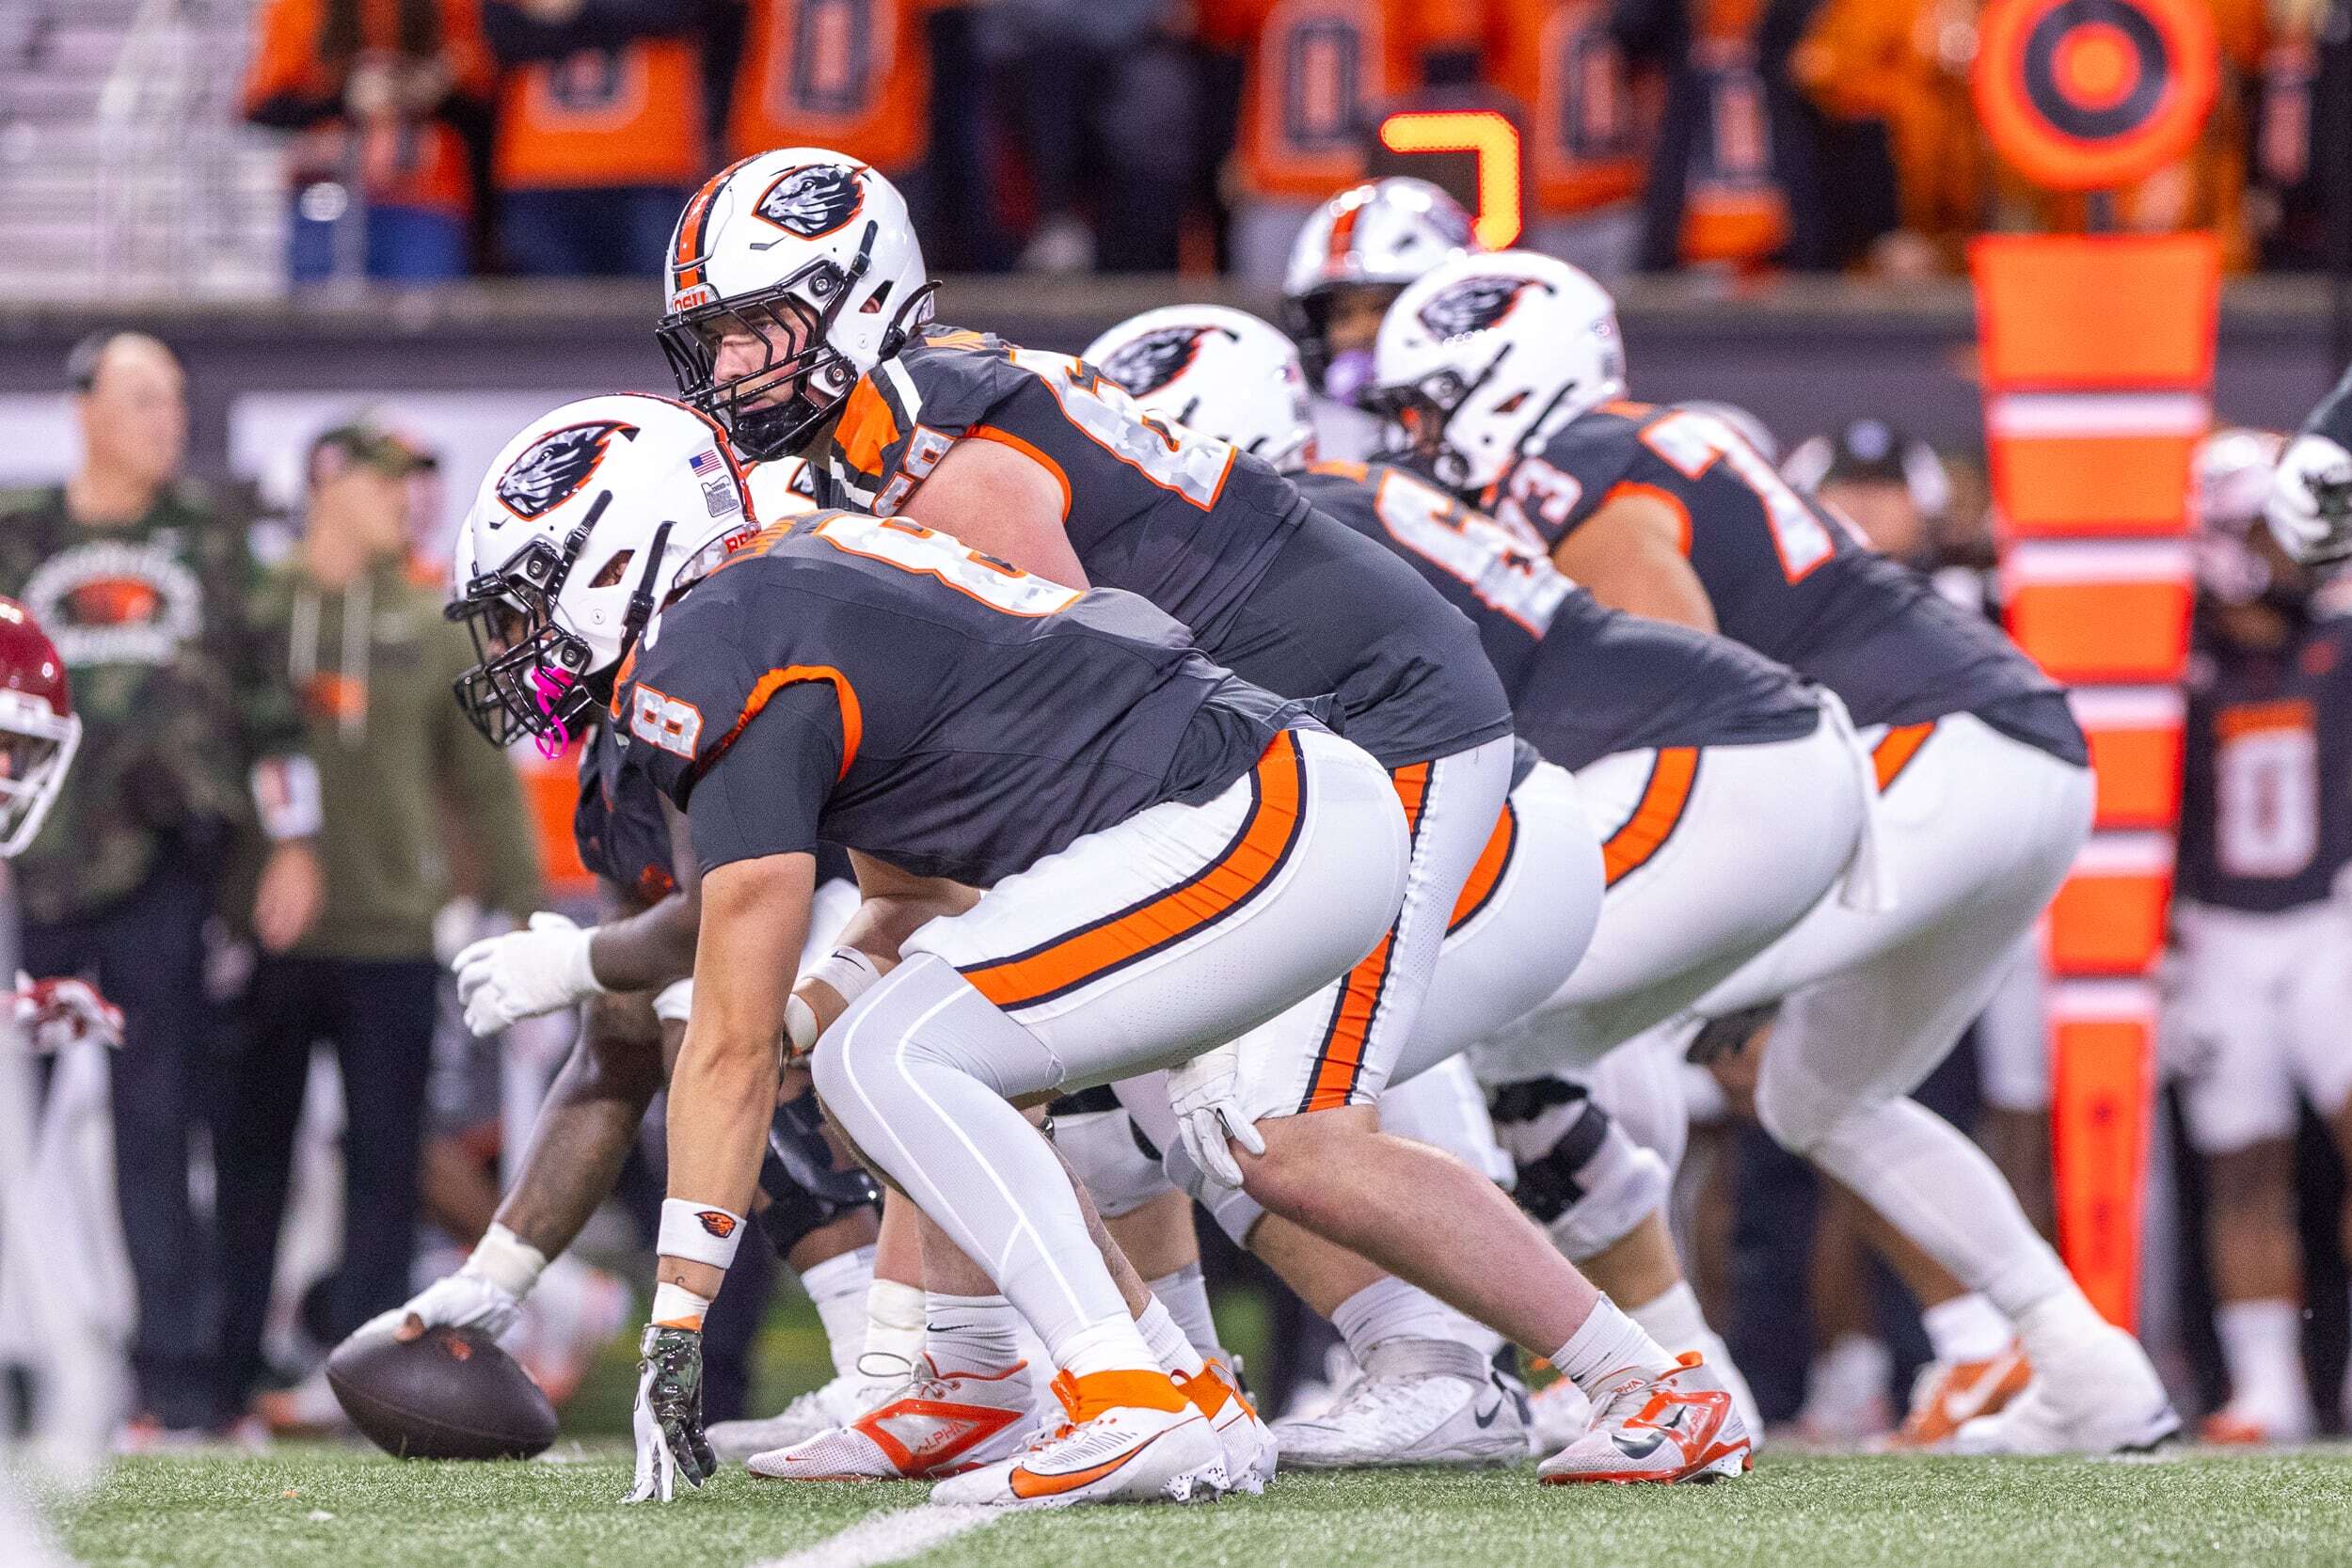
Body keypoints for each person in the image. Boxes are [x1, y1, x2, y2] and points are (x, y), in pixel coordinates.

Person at [656, 150, 1765, 1486]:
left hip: (1380, 730)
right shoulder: (886, 437)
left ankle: (1643, 1377)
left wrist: (844, 975)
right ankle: (985, 1367)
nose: (731, 370)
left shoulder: (928, 438)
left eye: (756, 327)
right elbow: (955, 797)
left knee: (1266, 1122)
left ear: (856, 294)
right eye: (712, 338)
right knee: (969, 1019)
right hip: (1277, 751)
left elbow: (1054, 723)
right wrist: (857, 958)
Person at [1373, 248, 2178, 1454]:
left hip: (1922, 743)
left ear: (1507, 379)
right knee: (1821, 1092)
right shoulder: (1645, 437)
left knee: (1512, 1002)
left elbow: (1665, 659)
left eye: (1429, 408)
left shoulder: (1575, 458)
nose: (1421, 442)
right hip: (2018, 755)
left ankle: (1661, 1377)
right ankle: (2084, 1362)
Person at [1087, 302, 1873, 1465]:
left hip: (1659, 757)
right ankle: (1636, 1362)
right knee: (1482, 1061)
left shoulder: (1282, 535)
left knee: (1310, 1071)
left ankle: (1475, 1364)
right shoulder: (1325, 512)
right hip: (1647, 766)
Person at [0, 332, 325, 1442]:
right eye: (144, 398)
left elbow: (271, 704)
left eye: (177, 398)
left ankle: (175, 1383)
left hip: (165, 871)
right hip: (24, 870)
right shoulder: (16, 533)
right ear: (85, 408)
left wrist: (293, 843)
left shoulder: (208, 534)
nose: (167, 418)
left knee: (157, 1124)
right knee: (7, 1123)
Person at [209, 418, 546, 1423]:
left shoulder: (432, 616)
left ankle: (358, 1380)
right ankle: (220, 1379)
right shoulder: (256, 612)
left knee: (386, 1164)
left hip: (395, 934)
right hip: (264, 934)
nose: (405, 498)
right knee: (247, 1160)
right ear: (329, 481)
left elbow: (484, 783)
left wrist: (530, 917)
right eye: (385, 479)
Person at [2168, 427, 2352, 1444]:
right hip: (2216, 933)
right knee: (2239, 1165)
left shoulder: (2337, 635)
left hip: (2331, 919)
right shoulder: (2173, 662)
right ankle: (2267, 1386)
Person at [1280, 178, 1479, 465]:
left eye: (1382, 308)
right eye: (1342, 315)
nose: (1359, 332)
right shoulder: (1303, 436)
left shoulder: (1496, 427)